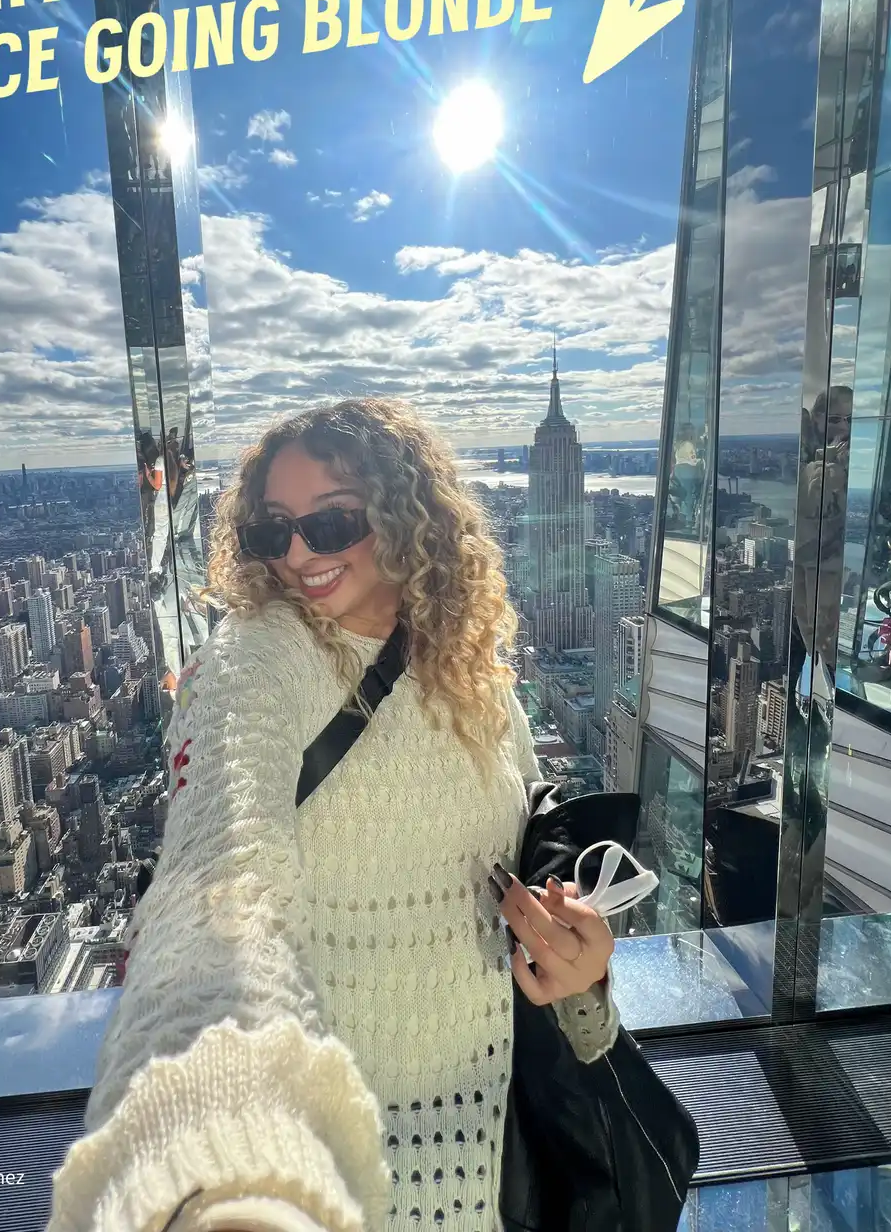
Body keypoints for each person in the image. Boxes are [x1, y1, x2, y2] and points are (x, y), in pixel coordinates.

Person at [47, 398, 620, 1232]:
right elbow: (220, 869)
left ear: (404, 514)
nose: (298, 555)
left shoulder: (465, 664)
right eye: (272, 531)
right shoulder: (258, 659)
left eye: (332, 522)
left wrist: (579, 967)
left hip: (503, 1160)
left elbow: (526, 831)